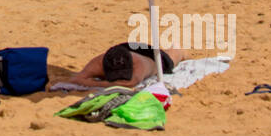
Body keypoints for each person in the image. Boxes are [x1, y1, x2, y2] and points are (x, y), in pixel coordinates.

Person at [55, 42, 188, 90]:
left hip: (146, 55)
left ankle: (178, 49)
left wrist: (99, 84)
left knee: (171, 58)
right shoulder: (98, 63)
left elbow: (128, 84)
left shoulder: (140, 67)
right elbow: (76, 79)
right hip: (124, 48)